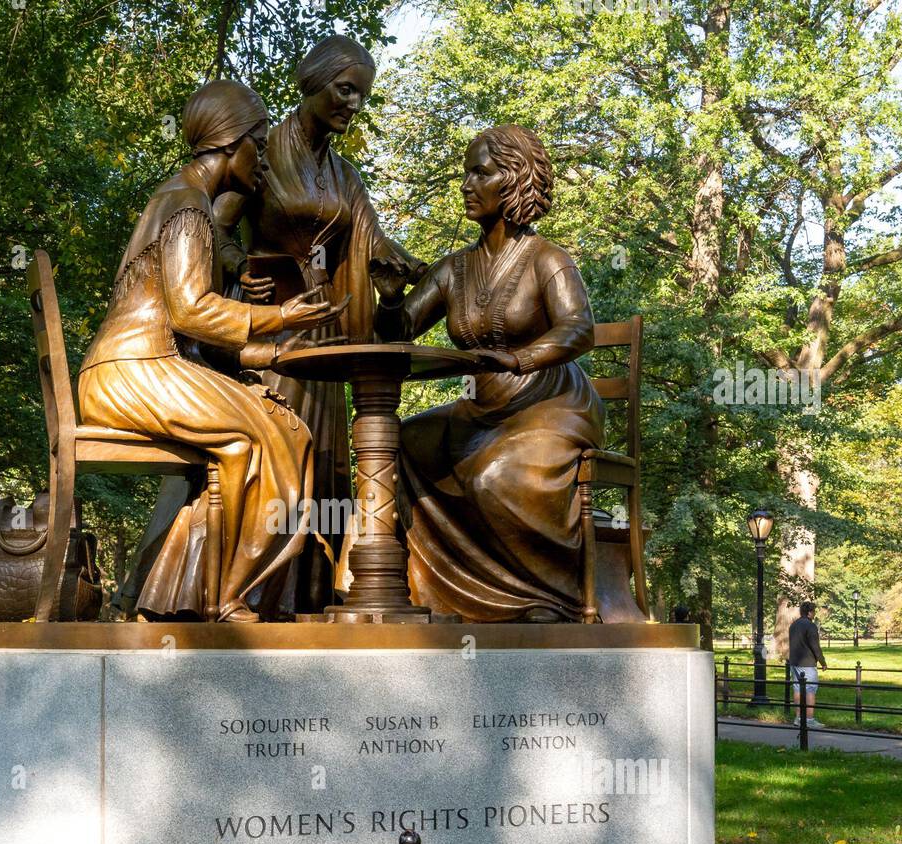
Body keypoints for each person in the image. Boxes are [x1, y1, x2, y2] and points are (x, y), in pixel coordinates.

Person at [77, 80, 342, 623]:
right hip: (133, 371)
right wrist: (281, 317)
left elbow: (189, 330)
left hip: (134, 369)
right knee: (277, 431)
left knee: (267, 433)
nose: (265, 159)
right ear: (231, 143)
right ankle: (227, 593)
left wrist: (264, 356)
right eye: (259, 143)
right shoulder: (188, 207)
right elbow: (192, 311)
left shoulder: (177, 200)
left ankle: (219, 591)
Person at [211, 33, 427, 614]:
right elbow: (214, 226)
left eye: (362, 96)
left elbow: (371, 236)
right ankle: (250, 588)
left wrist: (398, 265)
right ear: (314, 81)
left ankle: (302, 593)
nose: (353, 104)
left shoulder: (345, 175)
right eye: (345, 89)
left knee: (326, 463)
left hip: (327, 327)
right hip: (271, 325)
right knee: (278, 448)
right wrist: (237, 269)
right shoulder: (262, 151)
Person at [370, 125, 605, 622]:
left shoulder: (548, 259)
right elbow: (402, 327)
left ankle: (549, 599)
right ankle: (424, 593)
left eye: (482, 172)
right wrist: (390, 297)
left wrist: (520, 359)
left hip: (550, 408)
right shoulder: (454, 267)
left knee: (494, 477)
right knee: (400, 443)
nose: (467, 184)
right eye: (465, 174)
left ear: (515, 179)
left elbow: (578, 329)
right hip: (479, 412)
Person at [788, 600, 827, 728]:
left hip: (794, 662)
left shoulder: (793, 625)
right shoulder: (810, 626)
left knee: (798, 689)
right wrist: (822, 662)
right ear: (810, 612)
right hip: (808, 663)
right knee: (810, 690)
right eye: (814, 611)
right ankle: (809, 719)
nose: (814, 614)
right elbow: (815, 646)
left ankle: (798, 718)